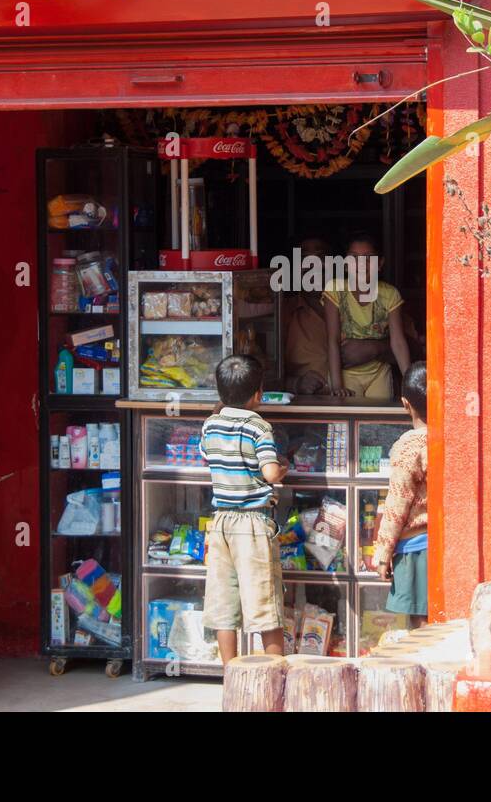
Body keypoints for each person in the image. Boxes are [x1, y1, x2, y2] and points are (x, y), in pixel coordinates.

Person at [200, 354, 289, 663]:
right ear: (258, 395)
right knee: (265, 604)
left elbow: (206, 457)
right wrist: (282, 469)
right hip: (253, 523)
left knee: (224, 606)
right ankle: (273, 675)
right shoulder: (258, 427)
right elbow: (269, 473)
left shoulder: (210, 425)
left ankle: (232, 677)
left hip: (221, 522)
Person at [372, 362, 429, 627]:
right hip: (439, 545)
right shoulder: (449, 435)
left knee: (420, 625)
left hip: (415, 548)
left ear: (405, 403)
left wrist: (383, 553)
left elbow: (397, 503)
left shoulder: (409, 446)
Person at [322, 232, 410, 400]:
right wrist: (337, 385)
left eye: (368, 258)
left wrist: (409, 384)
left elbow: (398, 342)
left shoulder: (390, 294)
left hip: (379, 373)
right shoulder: (335, 289)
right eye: (354, 258)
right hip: (345, 373)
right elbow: (332, 340)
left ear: (380, 263)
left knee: (378, 422)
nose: (361, 265)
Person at [282, 234, 331, 395]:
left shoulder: (358, 305)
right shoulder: (284, 313)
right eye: (304, 258)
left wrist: (375, 347)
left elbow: (407, 347)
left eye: (320, 256)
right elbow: (262, 371)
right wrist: (296, 384)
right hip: (307, 408)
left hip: (358, 405)